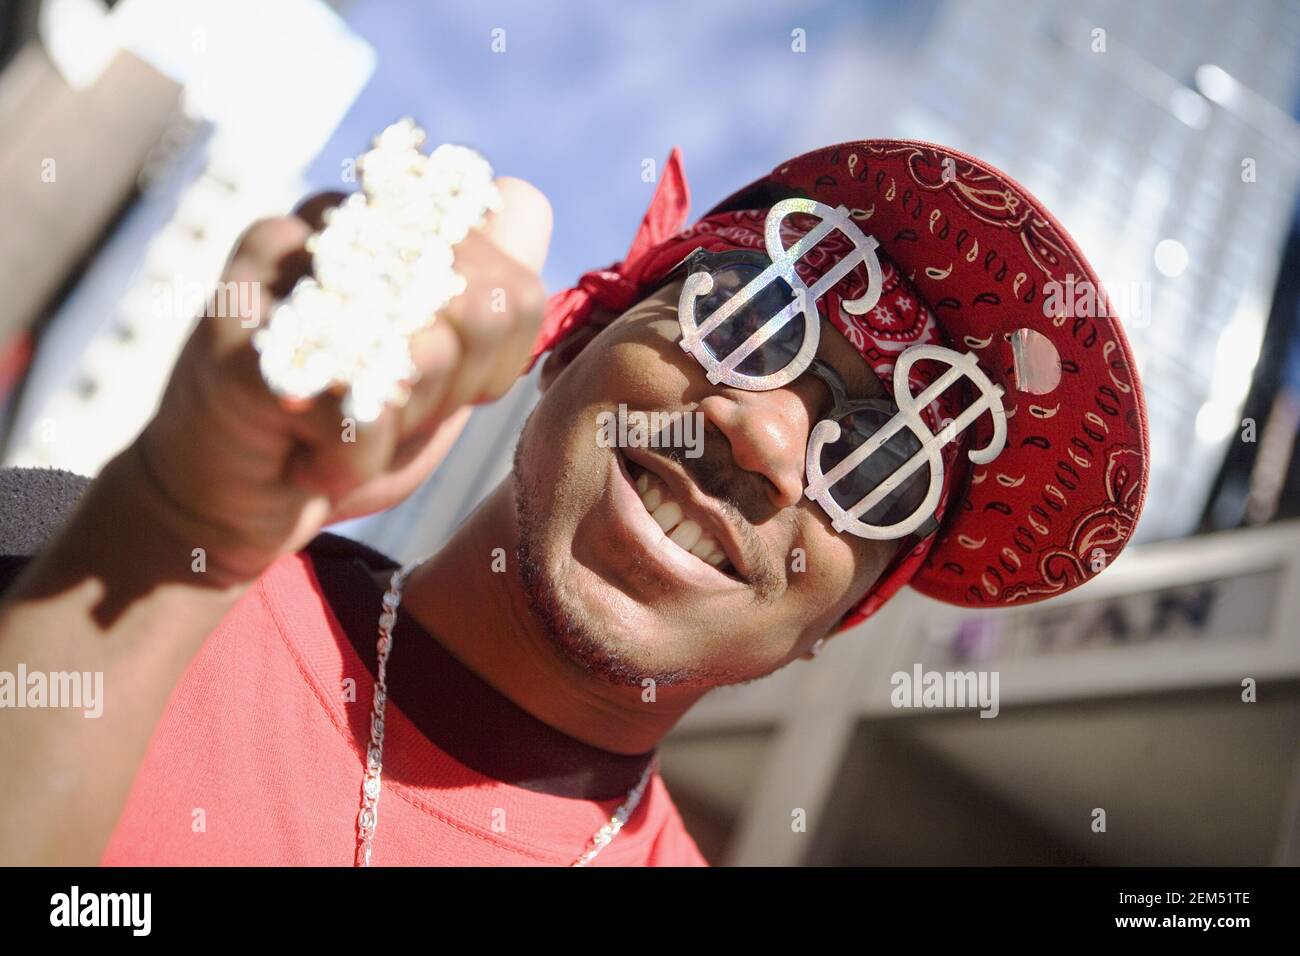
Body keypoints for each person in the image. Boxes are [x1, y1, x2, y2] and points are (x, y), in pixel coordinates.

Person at [0, 139, 1148, 866]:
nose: (764, 433)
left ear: (838, 619)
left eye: (882, 462)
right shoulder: (62, 565)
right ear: (578, 336)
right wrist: (174, 523)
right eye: (747, 320)